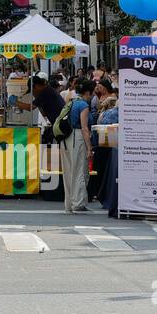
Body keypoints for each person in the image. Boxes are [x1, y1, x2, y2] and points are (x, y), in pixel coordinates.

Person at [62, 78, 94, 213]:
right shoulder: (83, 106)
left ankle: (69, 203)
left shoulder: (71, 103)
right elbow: (84, 128)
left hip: (65, 138)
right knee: (80, 170)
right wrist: (89, 147)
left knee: (68, 171)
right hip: (78, 137)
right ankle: (78, 203)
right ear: (87, 92)